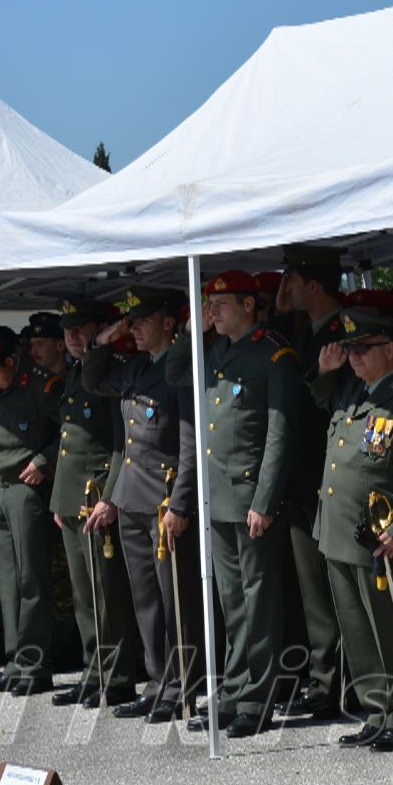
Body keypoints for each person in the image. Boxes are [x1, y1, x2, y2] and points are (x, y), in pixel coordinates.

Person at [164, 270, 298, 737]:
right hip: (217, 497)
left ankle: (258, 697)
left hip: (249, 498)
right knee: (230, 601)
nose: (213, 311)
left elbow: (279, 435)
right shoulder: (212, 350)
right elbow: (173, 372)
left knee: (258, 599)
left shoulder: (273, 355)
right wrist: (189, 333)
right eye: (209, 305)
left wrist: (264, 500)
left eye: (222, 304)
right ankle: (235, 689)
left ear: (249, 306)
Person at [309, 311, 393, 752]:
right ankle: (377, 710)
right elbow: (317, 395)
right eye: (350, 348)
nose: (354, 355)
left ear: (390, 349)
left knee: (391, 626)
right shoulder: (351, 391)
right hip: (340, 532)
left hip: (383, 537)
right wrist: (327, 369)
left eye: (363, 347)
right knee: (357, 629)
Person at [83, 287, 202, 723]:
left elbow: (189, 444)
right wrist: (101, 341)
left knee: (175, 599)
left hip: (164, 501)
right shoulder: (133, 366)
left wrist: (182, 503)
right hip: (131, 497)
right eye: (130, 322)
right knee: (146, 599)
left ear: (169, 323)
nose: (133, 329)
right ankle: (157, 682)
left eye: (142, 320)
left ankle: (182, 685)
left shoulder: (179, 369)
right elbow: (92, 380)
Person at [46, 298, 139, 709]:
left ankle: (116, 674)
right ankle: (93, 669)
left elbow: (123, 441)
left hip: (97, 494)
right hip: (72, 495)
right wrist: (61, 497)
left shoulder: (110, 371)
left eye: (81, 328)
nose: (72, 337)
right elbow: (69, 440)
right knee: (83, 593)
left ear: (102, 329)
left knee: (106, 591)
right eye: (67, 330)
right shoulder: (75, 374)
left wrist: (110, 494)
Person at [272, 246, 350, 720]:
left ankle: (337, 680)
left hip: (330, 477)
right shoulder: (306, 332)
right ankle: (324, 677)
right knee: (313, 591)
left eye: (292, 279)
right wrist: (283, 307)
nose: (286, 288)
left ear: (313, 285)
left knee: (334, 589)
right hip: (305, 479)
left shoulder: (346, 332)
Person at [0, 327, 64, 696]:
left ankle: (35, 664)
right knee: (8, 584)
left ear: (10, 363)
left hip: (29, 490)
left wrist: (44, 461)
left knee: (31, 580)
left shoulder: (41, 385)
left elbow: (70, 431)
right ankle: (15, 662)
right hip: (3, 490)